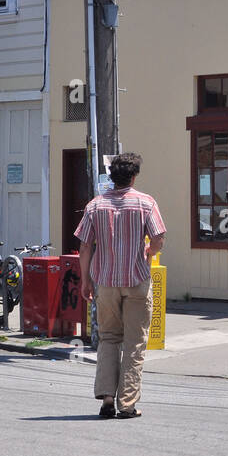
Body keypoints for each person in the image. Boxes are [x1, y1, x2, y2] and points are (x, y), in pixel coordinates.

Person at [75, 152, 165, 419]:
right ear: (134, 176)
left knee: (109, 338)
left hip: (106, 282)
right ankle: (127, 404)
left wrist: (85, 280)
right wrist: (149, 251)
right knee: (135, 342)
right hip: (136, 280)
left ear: (112, 177)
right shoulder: (146, 203)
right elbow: (159, 237)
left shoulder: (95, 206)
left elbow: (84, 246)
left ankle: (106, 399)